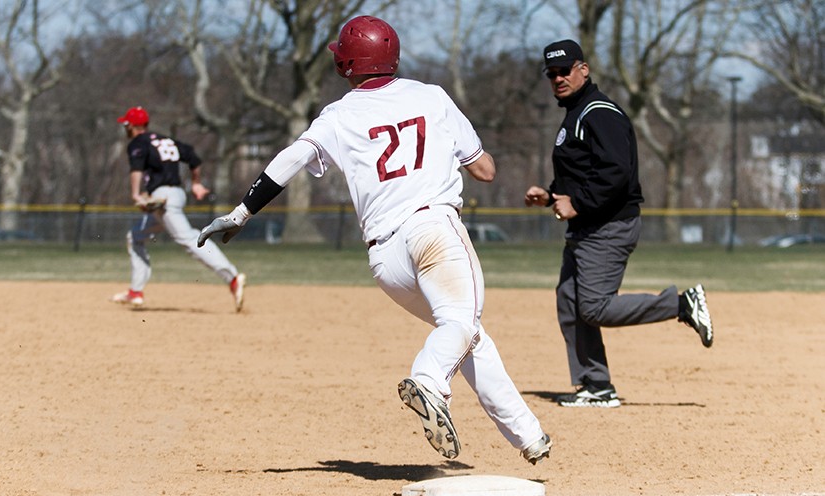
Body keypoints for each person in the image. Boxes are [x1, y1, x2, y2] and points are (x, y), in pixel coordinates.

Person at [198, 15, 551, 464]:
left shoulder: (338, 115)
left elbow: (292, 158)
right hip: (433, 233)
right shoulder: (431, 96)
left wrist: (242, 211)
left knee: (465, 334)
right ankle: (428, 380)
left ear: (347, 62)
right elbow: (485, 170)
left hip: (386, 260)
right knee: (460, 324)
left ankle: (528, 435)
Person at [524, 40, 714, 408]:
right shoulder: (576, 114)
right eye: (552, 73)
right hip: (587, 227)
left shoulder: (599, 112)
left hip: (607, 226)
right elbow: (583, 171)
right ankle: (596, 386)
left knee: (594, 307)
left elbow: (617, 172)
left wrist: (577, 203)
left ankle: (681, 304)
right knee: (569, 302)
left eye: (565, 70)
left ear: (584, 69)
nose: (558, 78)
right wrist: (550, 197)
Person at [112, 106, 246, 312]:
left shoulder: (138, 142)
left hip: (162, 197)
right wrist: (195, 183)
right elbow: (193, 157)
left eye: (126, 125)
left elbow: (136, 169)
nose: (125, 129)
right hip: (174, 195)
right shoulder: (166, 140)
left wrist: (135, 194)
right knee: (135, 236)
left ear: (133, 126)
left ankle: (233, 278)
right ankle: (135, 292)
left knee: (190, 239)